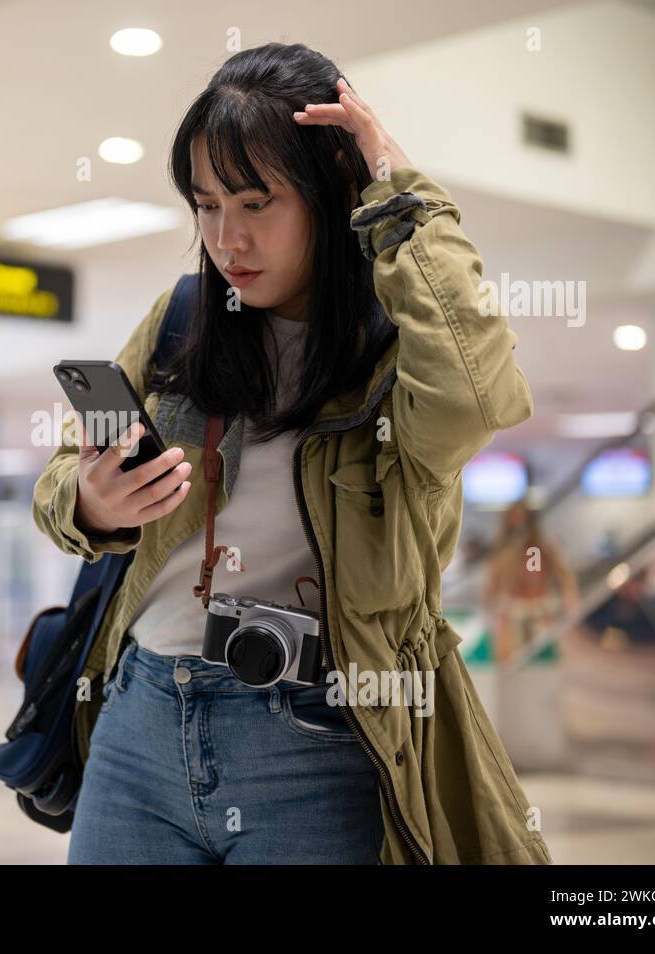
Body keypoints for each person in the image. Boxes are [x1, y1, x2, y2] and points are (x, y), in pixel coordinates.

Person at [32, 44, 549, 864]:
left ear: (332, 190)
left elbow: (478, 400)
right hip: (138, 720)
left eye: (255, 201)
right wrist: (91, 503)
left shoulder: (396, 345)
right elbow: (64, 475)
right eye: (204, 205)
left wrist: (398, 188)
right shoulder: (186, 318)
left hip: (315, 735)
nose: (226, 236)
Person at [483, 499, 579, 664]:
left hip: (541, 611)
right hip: (512, 612)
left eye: (521, 517)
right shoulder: (503, 548)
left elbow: (564, 574)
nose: (517, 522)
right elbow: (492, 581)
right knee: (510, 662)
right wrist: (491, 607)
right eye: (513, 517)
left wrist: (570, 599)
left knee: (545, 662)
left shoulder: (544, 545)